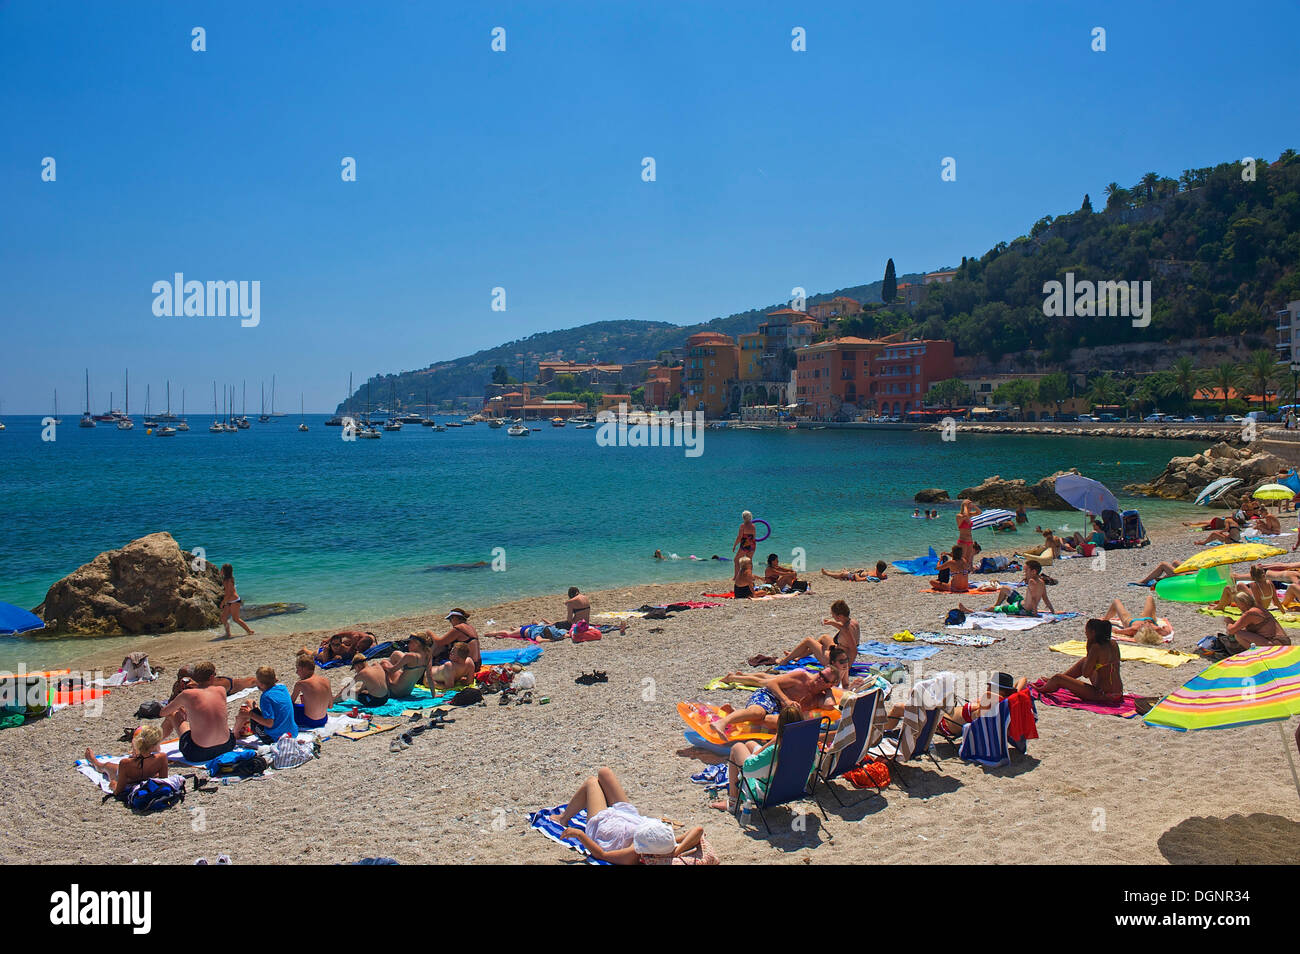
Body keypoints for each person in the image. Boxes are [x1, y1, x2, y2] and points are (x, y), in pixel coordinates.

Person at [555, 767, 707, 865]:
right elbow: (698, 831)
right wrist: (676, 852)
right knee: (604, 772)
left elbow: (600, 853)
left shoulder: (631, 854)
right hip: (629, 818)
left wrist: (580, 834)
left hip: (604, 825)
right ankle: (601, 801)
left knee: (592, 782)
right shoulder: (662, 844)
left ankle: (563, 818)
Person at [709, 703, 806, 813]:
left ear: (779, 725)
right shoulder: (810, 747)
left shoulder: (775, 751)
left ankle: (732, 803)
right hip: (793, 789)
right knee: (750, 744)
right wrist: (772, 742)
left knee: (737, 747)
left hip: (766, 793)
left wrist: (758, 753)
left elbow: (748, 770)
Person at [883, 672, 1027, 737]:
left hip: (937, 722)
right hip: (943, 713)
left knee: (897, 708)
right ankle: (898, 729)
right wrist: (1015, 694)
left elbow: (988, 696)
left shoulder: (990, 702)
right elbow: (1023, 679)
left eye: (990, 686)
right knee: (915, 693)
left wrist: (1010, 695)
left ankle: (881, 732)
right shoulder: (1003, 704)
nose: (987, 688)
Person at [714, 667, 836, 738]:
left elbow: (830, 705)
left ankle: (736, 714)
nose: (820, 678)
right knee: (758, 713)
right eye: (821, 674)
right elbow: (771, 684)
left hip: (780, 711)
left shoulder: (819, 696)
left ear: (830, 684)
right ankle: (722, 722)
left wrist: (829, 690)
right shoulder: (801, 677)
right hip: (770, 695)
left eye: (825, 679)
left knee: (779, 723)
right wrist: (786, 700)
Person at [159, 660, 237, 762]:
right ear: (211, 677)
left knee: (172, 714)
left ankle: (154, 744)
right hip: (227, 746)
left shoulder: (187, 694)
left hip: (198, 753)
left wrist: (178, 699)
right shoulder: (221, 690)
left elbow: (163, 713)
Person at [1036, 618, 1123, 702]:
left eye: (1086, 631)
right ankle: (1052, 680)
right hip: (1118, 692)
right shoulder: (1113, 644)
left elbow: (1086, 673)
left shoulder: (1096, 648)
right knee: (1085, 661)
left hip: (1104, 695)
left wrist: (1089, 645)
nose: (1085, 633)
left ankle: (1040, 689)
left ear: (1093, 632)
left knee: (1058, 678)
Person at [775, 600, 859, 682]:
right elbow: (843, 628)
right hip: (839, 652)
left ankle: (785, 660)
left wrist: (845, 668)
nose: (832, 616)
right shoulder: (853, 622)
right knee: (824, 637)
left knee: (808, 641)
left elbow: (854, 649)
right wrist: (831, 623)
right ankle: (798, 656)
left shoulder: (846, 630)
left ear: (839, 616)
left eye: (833, 614)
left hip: (836, 661)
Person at [84, 725, 168, 795]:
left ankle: (94, 761)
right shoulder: (162, 757)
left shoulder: (125, 763)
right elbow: (164, 782)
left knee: (104, 766)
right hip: (149, 775)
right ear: (154, 746)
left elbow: (118, 791)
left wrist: (113, 785)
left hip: (129, 779)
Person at [960, 559, 1054, 616]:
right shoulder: (1041, 582)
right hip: (1021, 602)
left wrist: (1035, 612)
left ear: (1033, 572)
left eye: (1026, 571)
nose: (1025, 573)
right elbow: (1045, 598)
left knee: (990, 610)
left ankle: (971, 611)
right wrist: (1052, 611)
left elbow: (1033, 598)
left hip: (1022, 609)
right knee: (1004, 588)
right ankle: (996, 605)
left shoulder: (1031, 581)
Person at [235, 666, 298, 743]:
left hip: (275, 738)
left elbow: (269, 723)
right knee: (249, 702)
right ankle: (237, 731)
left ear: (261, 684)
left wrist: (250, 714)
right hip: (292, 733)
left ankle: (234, 734)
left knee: (243, 712)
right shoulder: (282, 688)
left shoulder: (266, 697)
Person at [1223, 591, 1292, 650]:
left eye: (1237, 603)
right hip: (1283, 641)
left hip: (1275, 643)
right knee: (1242, 631)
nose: (1237, 606)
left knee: (1239, 634)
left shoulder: (1250, 613)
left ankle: (1255, 654)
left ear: (1242, 603)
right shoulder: (1258, 608)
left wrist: (1229, 621)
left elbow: (1231, 630)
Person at [418, 609, 482, 667]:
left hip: (467, 665)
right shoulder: (470, 628)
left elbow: (439, 642)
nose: (450, 622)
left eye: (450, 619)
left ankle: (423, 662)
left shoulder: (458, 628)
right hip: (477, 664)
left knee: (436, 645)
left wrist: (429, 633)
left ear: (455, 617)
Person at [1101, 592, 1173, 640]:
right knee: (1150, 598)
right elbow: (1167, 630)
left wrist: (1108, 626)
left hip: (1131, 622)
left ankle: (1105, 619)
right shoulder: (1157, 629)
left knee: (1116, 602)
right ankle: (1154, 618)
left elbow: (1117, 631)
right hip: (1148, 618)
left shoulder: (1135, 629)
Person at [382, 631, 433, 697]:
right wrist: (433, 695)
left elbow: (391, 670)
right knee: (396, 653)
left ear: (417, 644)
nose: (408, 645)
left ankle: (383, 690)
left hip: (395, 692)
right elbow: (429, 676)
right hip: (407, 692)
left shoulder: (409, 656)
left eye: (410, 642)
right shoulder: (428, 655)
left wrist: (385, 666)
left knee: (384, 662)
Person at [168, 664, 256, 702]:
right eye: (179, 676)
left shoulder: (208, 685)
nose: (181, 679)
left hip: (228, 685)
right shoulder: (178, 684)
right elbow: (171, 702)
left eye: (183, 676)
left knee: (251, 681)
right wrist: (175, 692)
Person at [291, 653, 333, 730]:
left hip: (310, 721)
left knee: (289, 707)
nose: (297, 672)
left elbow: (290, 704)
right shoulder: (326, 681)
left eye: (298, 669)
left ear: (303, 669)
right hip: (323, 719)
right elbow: (330, 706)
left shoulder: (301, 684)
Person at [218, 563, 255, 638]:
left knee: (236, 619)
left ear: (224, 571)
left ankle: (249, 631)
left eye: (221, 569)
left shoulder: (227, 580)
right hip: (230, 601)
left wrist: (223, 603)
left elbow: (229, 594)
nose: (220, 570)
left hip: (234, 601)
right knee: (223, 617)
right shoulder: (228, 579)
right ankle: (228, 634)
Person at [732, 510, 758, 575]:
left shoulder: (742, 526)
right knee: (749, 561)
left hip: (745, 545)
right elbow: (754, 537)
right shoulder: (753, 526)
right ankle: (749, 575)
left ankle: (736, 576)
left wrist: (735, 545)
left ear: (743, 517)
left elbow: (739, 537)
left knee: (736, 560)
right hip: (752, 545)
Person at [820, 561, 887, 582]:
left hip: (854, 576)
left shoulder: (873, 576)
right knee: (845, 572)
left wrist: (855, 575)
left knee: (841, 574)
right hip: (859, 573)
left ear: (877, 568)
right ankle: (845, 572)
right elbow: (883, 577)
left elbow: (859, 580)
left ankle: (827, 573)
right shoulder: (883, 575)